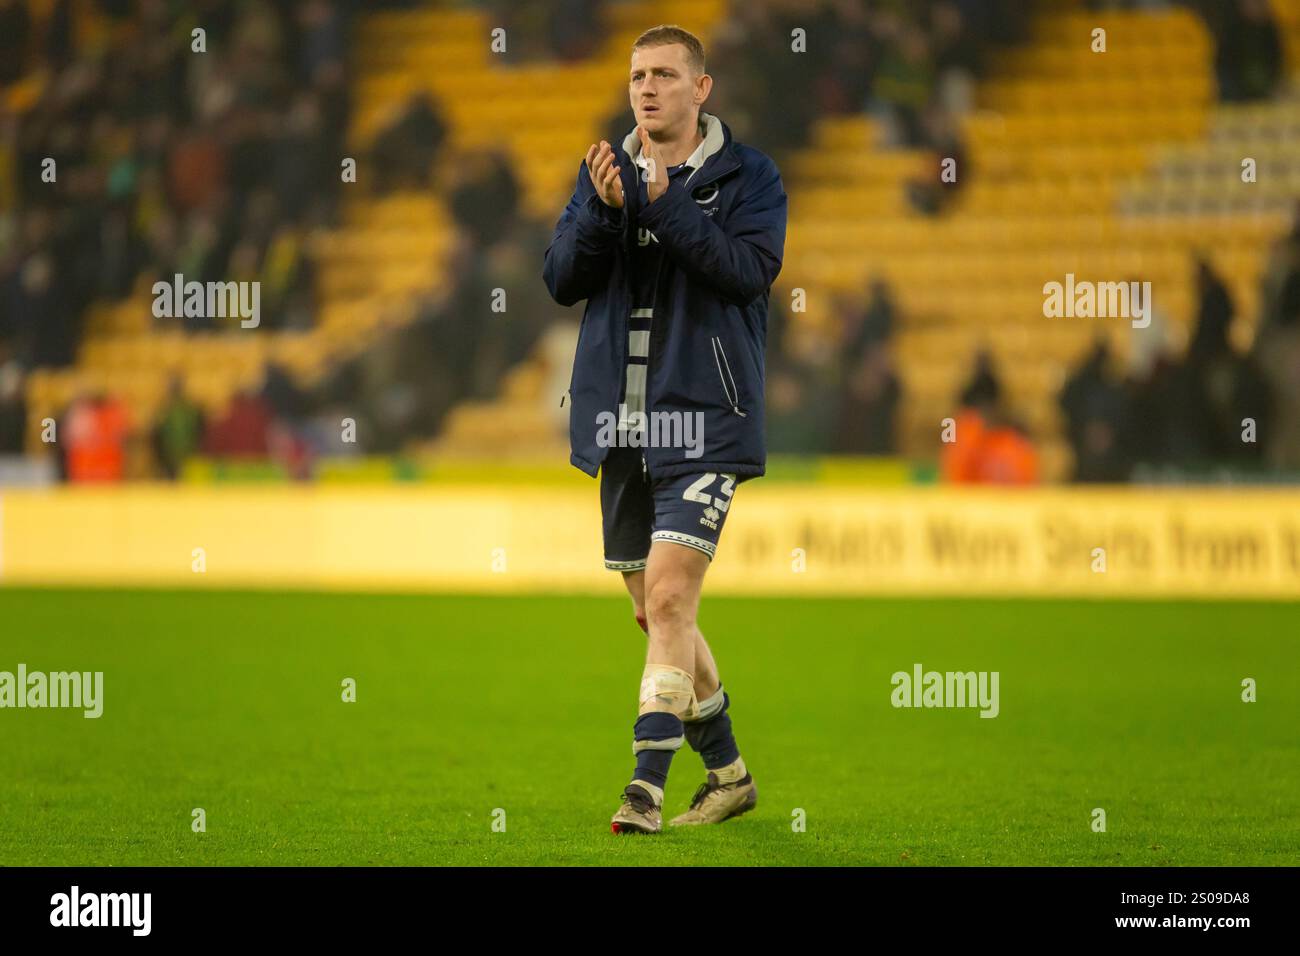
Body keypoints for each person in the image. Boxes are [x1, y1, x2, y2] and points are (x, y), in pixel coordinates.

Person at [542, 24, 787, 834]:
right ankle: (731, 777)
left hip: (705, 423)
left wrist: (662, 201)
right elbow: (560, 280)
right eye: (637, 75)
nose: (646, 89)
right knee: (660, 617)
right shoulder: (602, 171)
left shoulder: (750, 177)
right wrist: (610, 212)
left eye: (665, 75)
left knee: (675, 594)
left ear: (701, 88)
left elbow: (744, 271)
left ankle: (643, 789)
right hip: (621, 427)